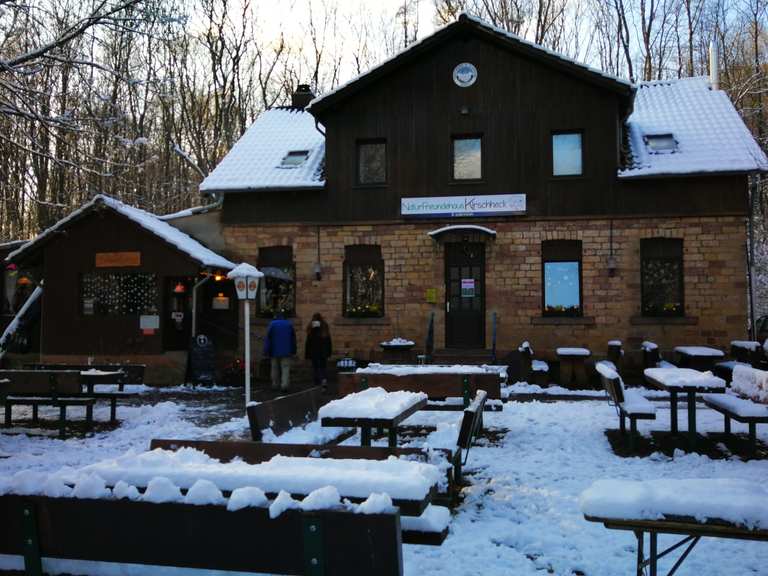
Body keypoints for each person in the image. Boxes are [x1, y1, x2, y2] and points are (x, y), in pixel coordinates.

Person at [263, 311, 297, 392]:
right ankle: (284, 385)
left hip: (274, 350)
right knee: (285, 368)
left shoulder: (272, 324)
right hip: (286, 350)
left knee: (274, 368)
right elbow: (293, 339)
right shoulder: (289, 324)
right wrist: (293, 349)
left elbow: (268, 339)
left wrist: (266, 350)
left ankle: (275, 384)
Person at [305, 313, 332, 390]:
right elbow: (328, 341)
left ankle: (317, 383)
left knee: (315, 367)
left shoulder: (311, 327)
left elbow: (308, 342)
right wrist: (329, 351)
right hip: (323, 351)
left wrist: (307, 353)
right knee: (323, 367)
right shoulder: (324, 326)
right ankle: (324, 381)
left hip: (314, 351)